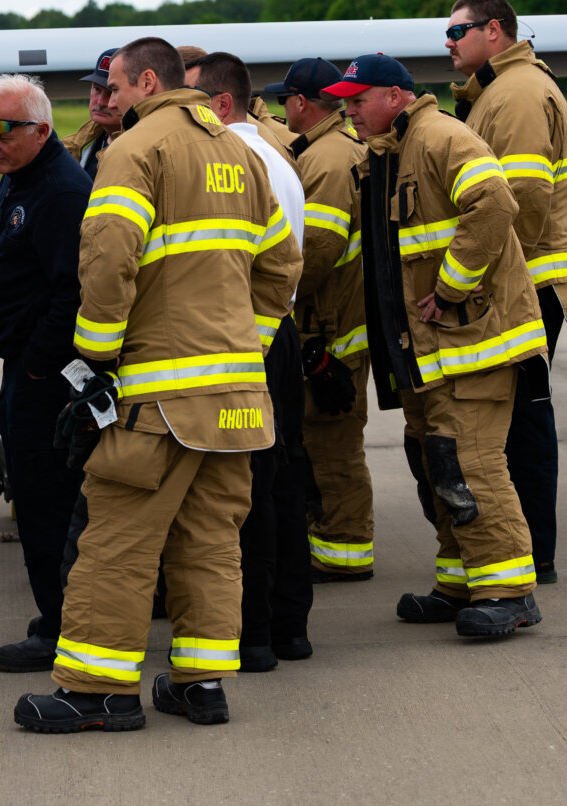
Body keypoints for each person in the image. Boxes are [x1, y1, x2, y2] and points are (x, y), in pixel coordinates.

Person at [14, 37, 300, 733]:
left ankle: (95, 695)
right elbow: (283, 265)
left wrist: (97, 357)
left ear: (147, 81)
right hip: (236, 399)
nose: (106, 97)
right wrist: (248, 345)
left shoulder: (135, 152)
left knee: (116, 540)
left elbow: (109, 258)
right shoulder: (241, 150)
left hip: (159, 399)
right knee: (210, 541)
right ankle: (200, 687)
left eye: (112, 83)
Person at [326, 54, 545, 637]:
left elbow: (496, 204)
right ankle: (460, 581)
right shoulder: (387, 154)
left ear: (396, 96)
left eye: (359, 97)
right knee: (434, 465)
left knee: (469, 464)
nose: (349, 108)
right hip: (427, 353)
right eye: (345, 99)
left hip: (475, 345)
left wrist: (452, 285)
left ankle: (508, 592)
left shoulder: (443, 137)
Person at [446, 0, 567, 585]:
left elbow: (523, 199)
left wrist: (483, 278)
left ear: (494, 30)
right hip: (521, 273)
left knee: (522, 417)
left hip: (524, 275)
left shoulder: (519, 93)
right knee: (521, 414)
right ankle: (530, 547)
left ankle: (534, 554)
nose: (447, 43)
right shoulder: (498, 90)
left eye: (457, 32)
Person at [184, 52, 311, 671]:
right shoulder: (276, 157)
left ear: (221, 105)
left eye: (190, 101)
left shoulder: (230, 160)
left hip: (245, 341)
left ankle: (253, 635)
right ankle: (289, 628)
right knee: (283, 485)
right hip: (276, 334)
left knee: (243, 495)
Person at [0, 74, 93, 672]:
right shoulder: (21, 178)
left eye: (3, 128)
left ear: (41, 130)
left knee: (47, 502)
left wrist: (41, 366)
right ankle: (57, 612)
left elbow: (72, 290)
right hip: (25, 364)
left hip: (45, 375)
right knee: (35, 496)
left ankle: (59, 628)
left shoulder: (60, 191)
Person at [266, 58, 374, 584]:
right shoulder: (330, 149)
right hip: (333, 323)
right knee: (323, 442)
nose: (283, 110)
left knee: (332, 444)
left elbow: (317, 251)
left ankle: (345, 550)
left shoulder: (329, 159)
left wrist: (269, 294)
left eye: (286, 101)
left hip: (331, 329)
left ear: (302, 104)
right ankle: (333, 540)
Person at [62, 48, 124, 179]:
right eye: (96, 89)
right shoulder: (75, 145)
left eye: (111, 92)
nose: (101, 102)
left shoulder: (142, 149)